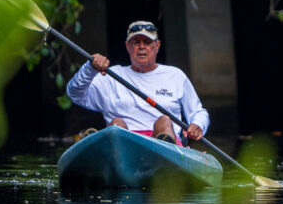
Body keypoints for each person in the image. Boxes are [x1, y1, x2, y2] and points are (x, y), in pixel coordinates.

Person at [67, 20, 209, 145]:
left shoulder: (176, 75)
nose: (142, 46)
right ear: (128, 46)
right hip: (124, 148)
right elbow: (74, 93)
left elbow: (198, 112)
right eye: (136, 42)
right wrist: (89, 69)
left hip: (165, 148)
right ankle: (102, 146)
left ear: (157, 45)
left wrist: (198, 125)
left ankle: (165, 159)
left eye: (147, 42)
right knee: (117, 124)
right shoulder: (110, 76)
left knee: (164, 121)